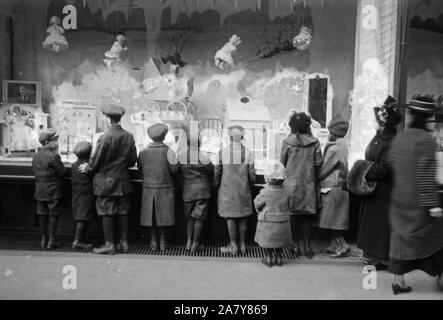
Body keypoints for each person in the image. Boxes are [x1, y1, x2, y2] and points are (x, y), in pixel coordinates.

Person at [387, 95, 443, 294]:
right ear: (427, 117)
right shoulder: (426, 141)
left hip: (399, 200)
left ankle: (398, 281)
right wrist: (433, 205)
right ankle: (440, 275)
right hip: (419, 204)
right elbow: (425, 174)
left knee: (401, 241)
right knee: (436, 239)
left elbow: (391, 164)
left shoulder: (399, 138)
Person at [79, 104, 137, 255]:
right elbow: (132, 161)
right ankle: (124, 243)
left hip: (106, 183)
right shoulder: (129, 136)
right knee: (123, 211)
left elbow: (95, 162)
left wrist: (87, 168)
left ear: (107, 118)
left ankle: (109, 245)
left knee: (107, 212)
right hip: (123, 181)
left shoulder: (104, 137)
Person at [357, 96, 402, 270]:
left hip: (384, 188)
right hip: (373, 187)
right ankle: (371, 255)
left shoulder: (392, 141)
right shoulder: (379, 137)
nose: (377, 121)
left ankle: (380, 257)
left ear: (386, 123)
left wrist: (367, 173)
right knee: (372, 221)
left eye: (380, 119)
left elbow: (385, 166)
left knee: (380, 223)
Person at [280, 112, 323, 258]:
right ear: (307, 125)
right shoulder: (315, 142)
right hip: (308, 184)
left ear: (292, 126)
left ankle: (295, 246)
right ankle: (307, 247)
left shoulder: (287, 142)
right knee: (307, 217)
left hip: (291, 185)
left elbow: (282, 164)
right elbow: (320, 163)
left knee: (293, 217)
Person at [215, 125, 256, 256]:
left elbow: (217, 170)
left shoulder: (223, 151)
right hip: (243, 188)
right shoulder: (249, 152)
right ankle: (243, 245)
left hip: (228, 188)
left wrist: (217, 183)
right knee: (242, 216)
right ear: (242, 137)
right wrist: (251, 184)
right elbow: (252, 174)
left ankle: (233, 245)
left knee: (230, 216)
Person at [138, 123, 179, 251]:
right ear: (164, 136)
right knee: (163, 216)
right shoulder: (169, 151)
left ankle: (153, 241)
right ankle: (163, 242)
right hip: (165, 187)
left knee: (151, 216)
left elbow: (140, 170)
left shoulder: (143, 152)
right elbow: (174, 170)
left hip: (148, 188)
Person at [317, 117, 350, 258]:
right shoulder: (343, 145)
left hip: (332, 187)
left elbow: (325, 168)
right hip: (338, 186)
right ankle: (334, 244)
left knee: (333, 219)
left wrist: (316, 176)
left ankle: (343, 245)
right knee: (333, 218)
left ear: (334, 133)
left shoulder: (335, 148)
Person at [178, 133, 214, 253]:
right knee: (199, 218)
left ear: (187, 143)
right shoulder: (203, 157)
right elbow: (211, 171)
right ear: (200, 143)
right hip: (202, 191)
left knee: (189, 218)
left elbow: (176, 172)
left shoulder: (181, 156)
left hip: (187, 190)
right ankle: (195, 244)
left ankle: (188, 242)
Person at [32, 129, 66, 250]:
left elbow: (35, 172)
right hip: (53, 190)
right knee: (53, 214)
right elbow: (62, 172)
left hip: (40, 189)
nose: (57, 142)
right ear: (47, 142)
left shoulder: (36, 156)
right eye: (55, 140)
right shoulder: (54, 156)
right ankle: (52, 240)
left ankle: (43, 239)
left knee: (42, 214)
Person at [254, 161, 292, 267]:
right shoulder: (287, 191)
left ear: (267, 177)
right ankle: (279, 258)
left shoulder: (265, 192)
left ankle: (269, 258)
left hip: (267, 223)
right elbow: (291, 205)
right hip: (283, 222)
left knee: (268, 242)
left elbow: (257, 204)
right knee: (279, 242)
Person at [71, 141, 95, 250]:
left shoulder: (74, 165)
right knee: (83, 219)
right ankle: (78, 241)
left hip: (77, 195)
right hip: (85, 196)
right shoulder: (87, 166)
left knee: (82, 218)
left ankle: (81, 240)